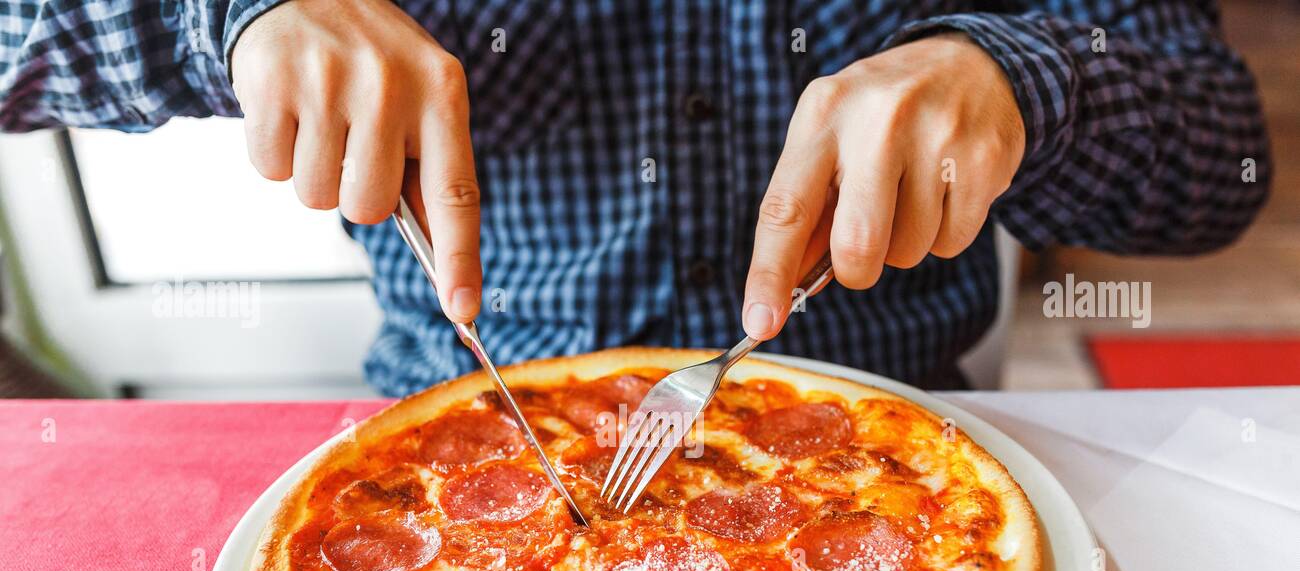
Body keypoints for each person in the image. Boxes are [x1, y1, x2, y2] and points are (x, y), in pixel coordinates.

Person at [0, 0, 1270, 393]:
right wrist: (235, 14)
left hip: (895, 432)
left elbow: (1226, 161)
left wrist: (1024, 78)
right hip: (462, 433)